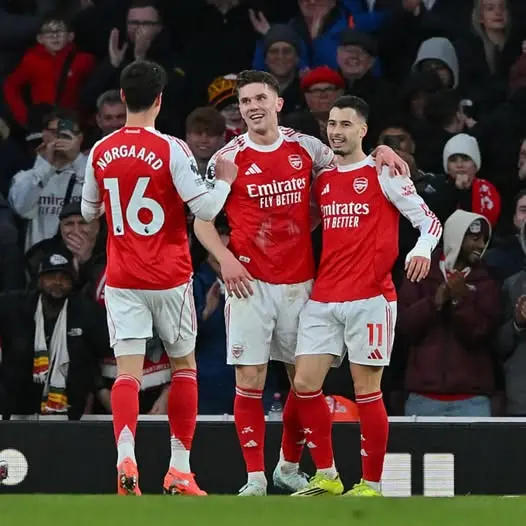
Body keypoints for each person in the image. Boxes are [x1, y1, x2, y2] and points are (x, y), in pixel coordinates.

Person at [193, 70, 408, 496]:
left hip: (301, 284)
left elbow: (349, 163)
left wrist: (380, 149)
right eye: (245, 101)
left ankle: (289, 466)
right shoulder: (227, 158)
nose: (252, 107)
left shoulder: (307, 147)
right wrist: (226, 260)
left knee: (303, 381)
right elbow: (202, 222)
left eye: (260, 98)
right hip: (249, 285)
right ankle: (255, 478)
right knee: (250, 379)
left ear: (277, 102)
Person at [81, 59, 237, 496]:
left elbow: (90, 212)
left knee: (127, 374)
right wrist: (224, 181)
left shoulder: (100, 150)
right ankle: (179, 470)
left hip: (123, 277)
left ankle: (125, 456)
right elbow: (205, 209)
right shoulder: (172, 149)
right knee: (184, 366)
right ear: (160, 99)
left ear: (123, 97)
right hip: (170, 277)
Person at [289, 95, 442, 497]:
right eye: (331, 124)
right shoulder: (322, 180)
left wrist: (422, 250)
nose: (336, 131)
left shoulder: (384, 172)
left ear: (363, 130)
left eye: (345, 124)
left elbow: (429, 221)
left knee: (366, 390)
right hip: (324, 296)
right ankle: (327, 475)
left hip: (371, 297)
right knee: (304, 383)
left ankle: (371, 483)